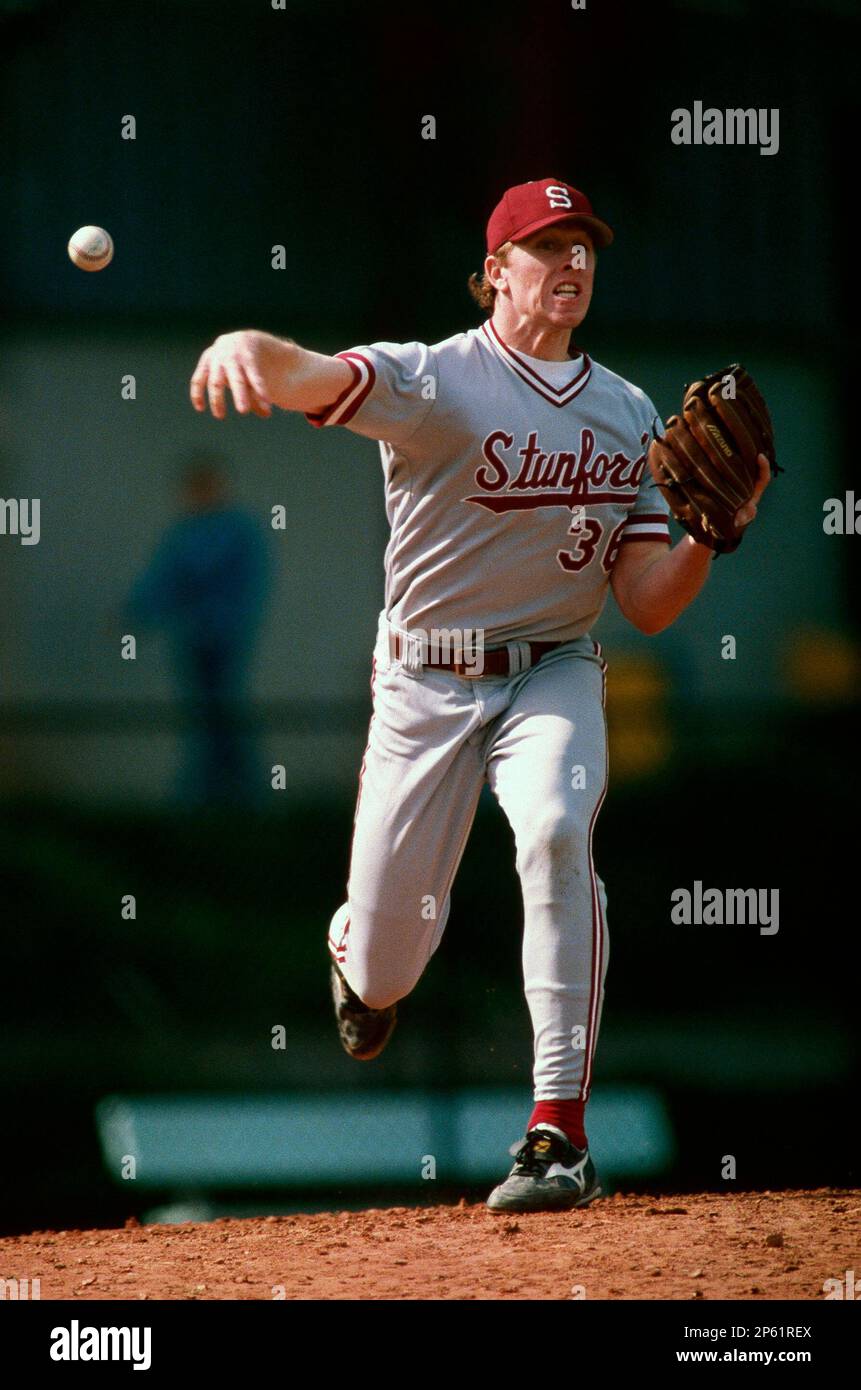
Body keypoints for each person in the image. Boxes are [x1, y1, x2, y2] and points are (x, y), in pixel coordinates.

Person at [190, 178, 770, 1211]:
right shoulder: (434, 380)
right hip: (423, 678)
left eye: (583, 245)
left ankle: (558, 1135)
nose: (572, 262)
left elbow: (645, 602)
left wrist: (709, 538)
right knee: (386, 969)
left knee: (554, 831)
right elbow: (314, 374)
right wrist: (248, 344)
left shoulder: (627, 412)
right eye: (547, 245)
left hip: (553, 667)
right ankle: (356, 955)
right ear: (495, 270)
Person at [122, 455, 271, 807]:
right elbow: (164, 581)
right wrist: (134, 613)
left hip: (224, 637)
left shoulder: (237, 532)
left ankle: (238, 793)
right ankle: (212, 793)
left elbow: (247, 586)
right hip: (195, 637)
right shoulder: (186, 534)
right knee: (204, 713)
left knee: (222, 710)